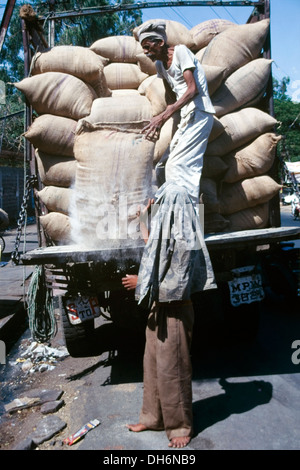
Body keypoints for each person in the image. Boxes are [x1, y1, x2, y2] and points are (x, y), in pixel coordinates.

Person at [122, 182, 217, 448]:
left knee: (173, 368)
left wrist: (141, 282)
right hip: (159, 308)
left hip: (175, 309)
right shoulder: (171, 228)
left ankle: (179, 426)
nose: (160, 210)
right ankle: (153, 417)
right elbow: (154, 248)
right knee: (152, 365)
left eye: (164, 206)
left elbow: (179, 278)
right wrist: (143, 220)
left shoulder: (186, 237)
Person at [137, 20, 215, 209]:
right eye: (144, 49)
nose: (146, 52)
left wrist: (163, 116)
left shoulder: (181, 52)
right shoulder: (160, 66)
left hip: (200, 112)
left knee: (179, 167)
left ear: (161, 43)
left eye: (148, 47)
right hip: (186, 116)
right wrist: (159, 122)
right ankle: (171, 213)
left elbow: (192, 89)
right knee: (163, 167)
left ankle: (189, 220)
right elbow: (171, 99)